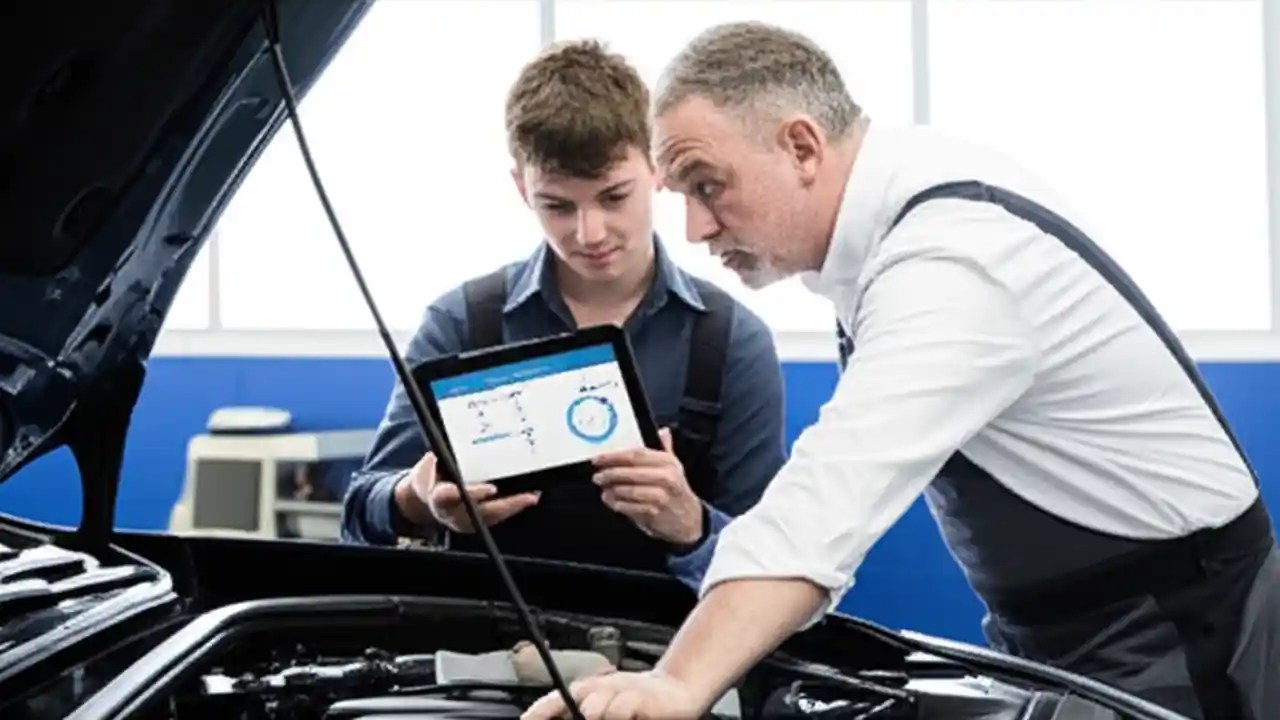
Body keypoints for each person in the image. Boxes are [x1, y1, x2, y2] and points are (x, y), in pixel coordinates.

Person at [523, 21, 1279, 720]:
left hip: (1178, 625)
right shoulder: (896, 211)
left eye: (707, 185)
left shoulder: (952, 261)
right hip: (1061, 624)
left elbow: (827, 502)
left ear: (802, 147)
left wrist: (676, 681)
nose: (695, 228)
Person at [339, 38, 787, 588]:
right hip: (479, 653)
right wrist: (418, 498)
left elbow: (773, 565)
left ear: (657, 169)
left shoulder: (734, 342)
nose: (589, 233)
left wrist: (690, 525)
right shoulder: (461, 323)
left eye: (613, 196)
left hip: (666, 660)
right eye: (557, 205)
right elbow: (360, 511)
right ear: (520, 188)